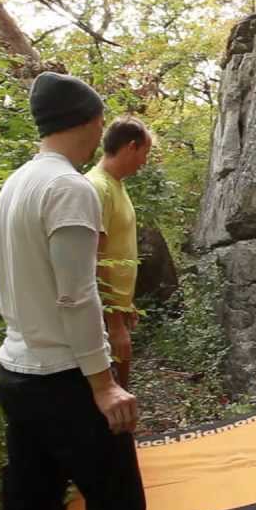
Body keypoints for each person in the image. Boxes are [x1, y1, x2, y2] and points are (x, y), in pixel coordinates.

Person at [0, 72, 146, 510]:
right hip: (65, 379)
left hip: (17, 372)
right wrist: (104, 384)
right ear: (89, 122)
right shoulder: (69, 187)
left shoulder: (16, 183)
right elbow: (76, 294)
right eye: (100, 121)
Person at [85, 117, 152, 390]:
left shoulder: (116, 185)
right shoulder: (97, 187)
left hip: (115, 308)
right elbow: (95, 259)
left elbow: (117, 248)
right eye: (145, 154)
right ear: (131, 147)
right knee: (111, 394)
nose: (144, 162)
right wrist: (114, 323)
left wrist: (126, 304)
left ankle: (120, 434)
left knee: (120, 390)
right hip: (100, 314)